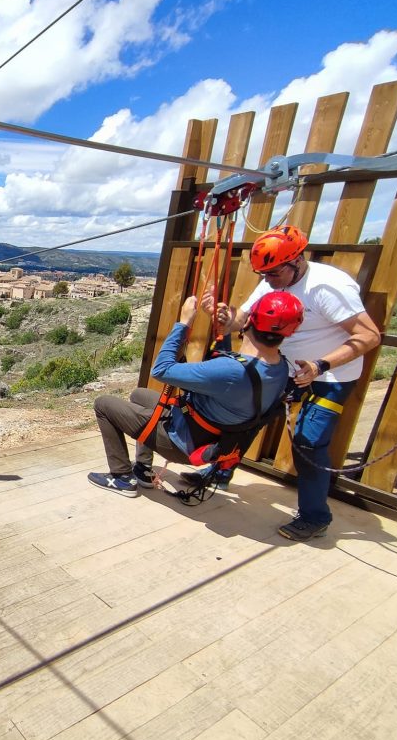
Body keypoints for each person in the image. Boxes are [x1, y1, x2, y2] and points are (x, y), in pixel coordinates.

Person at [202, 225, 381, 541]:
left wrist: (320, 365)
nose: (268, 280)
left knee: (309, 442)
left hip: (330, 375)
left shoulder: (327, 287)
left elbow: (369, 336)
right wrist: (225, 319)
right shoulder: (272, 280)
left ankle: (315, 517)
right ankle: (220, 471)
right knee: (246, 417)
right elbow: (242, 319)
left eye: (273, 273)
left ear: (297, 261)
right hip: (286, 368)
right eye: (263, 274)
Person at [87, 290, 303, 498]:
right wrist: (219, 326)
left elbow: (161, 370)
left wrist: (183, 322)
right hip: (206, 437)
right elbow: (229, 368)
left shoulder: (231, 371)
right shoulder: (279, 368)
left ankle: (121, 476)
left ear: (248, 322)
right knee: (139, 395)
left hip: (180, 443)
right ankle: (143, 468)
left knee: (104, 404)